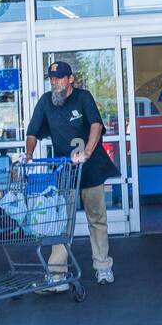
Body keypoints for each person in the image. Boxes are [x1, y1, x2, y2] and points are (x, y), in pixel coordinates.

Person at [25, 61, 121, 288]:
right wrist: (28, 153)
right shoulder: (46, 102)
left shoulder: (83, 97)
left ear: (70, 79)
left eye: (58, 78)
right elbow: (32, 132)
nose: (54, 82)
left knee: (97, 219)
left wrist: (87, 152)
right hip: (65, 172)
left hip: (90, 168)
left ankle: (103, 267)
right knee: (61, 223)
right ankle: (57, 276)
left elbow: (96, 125)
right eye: (51, 79)